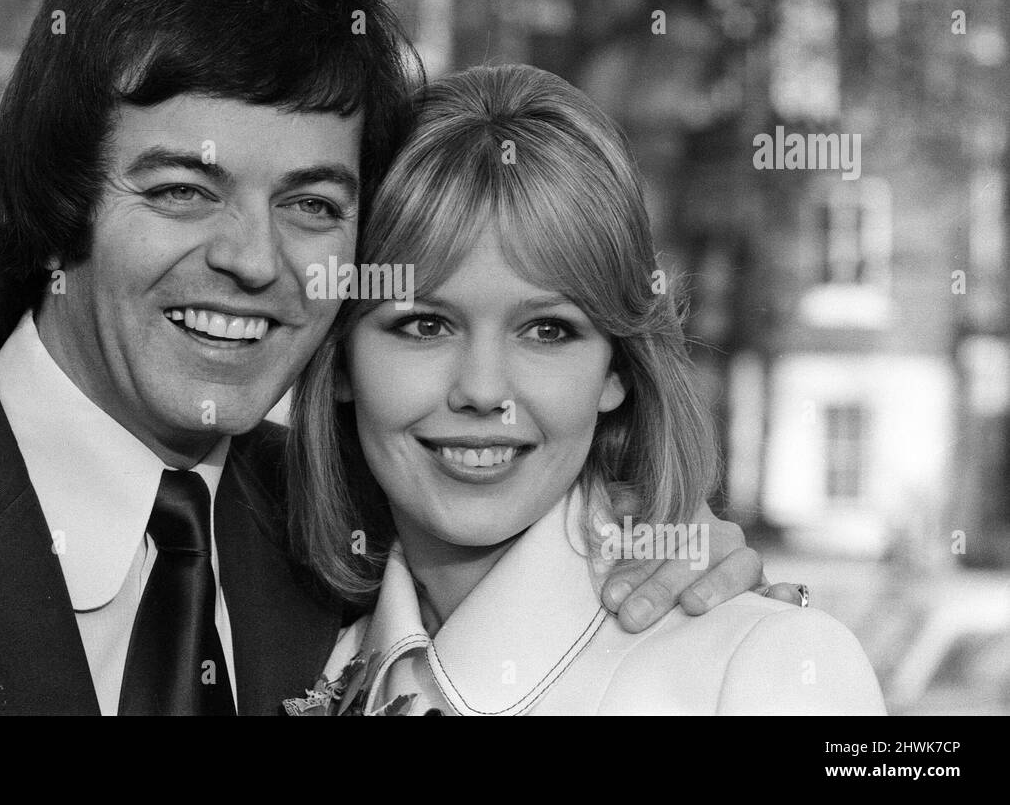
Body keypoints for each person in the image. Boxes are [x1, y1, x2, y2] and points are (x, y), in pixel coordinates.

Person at [0, 0, 775, 717]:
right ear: (61, 196)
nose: (253, 260)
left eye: (311, 205)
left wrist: (676, 555)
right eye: (182, 190)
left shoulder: (345, 527)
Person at [285, 64, 885, 715]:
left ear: (617, 368)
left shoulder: (766, 670)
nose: (485, 391)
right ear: (340, 355)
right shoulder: (295, 655)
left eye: (547, 329)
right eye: (425, 324)